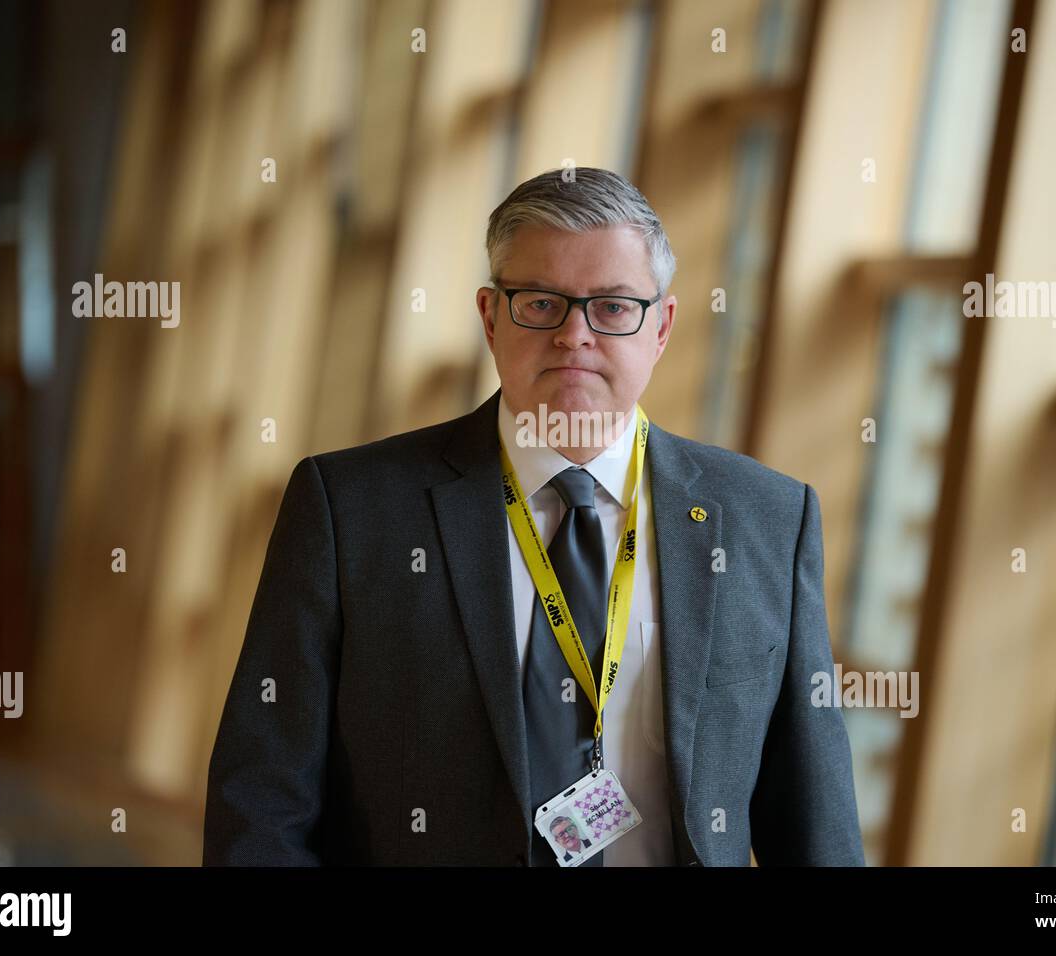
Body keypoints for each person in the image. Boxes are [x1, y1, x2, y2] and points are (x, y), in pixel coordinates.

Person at [203, 167, 864, 867]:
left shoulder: (767, 518)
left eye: (612, 307)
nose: (574, 335)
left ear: (661, 326)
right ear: (491, 317)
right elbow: (262, 799)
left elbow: (816, 822)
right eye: (542, 303)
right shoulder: (352, 509)